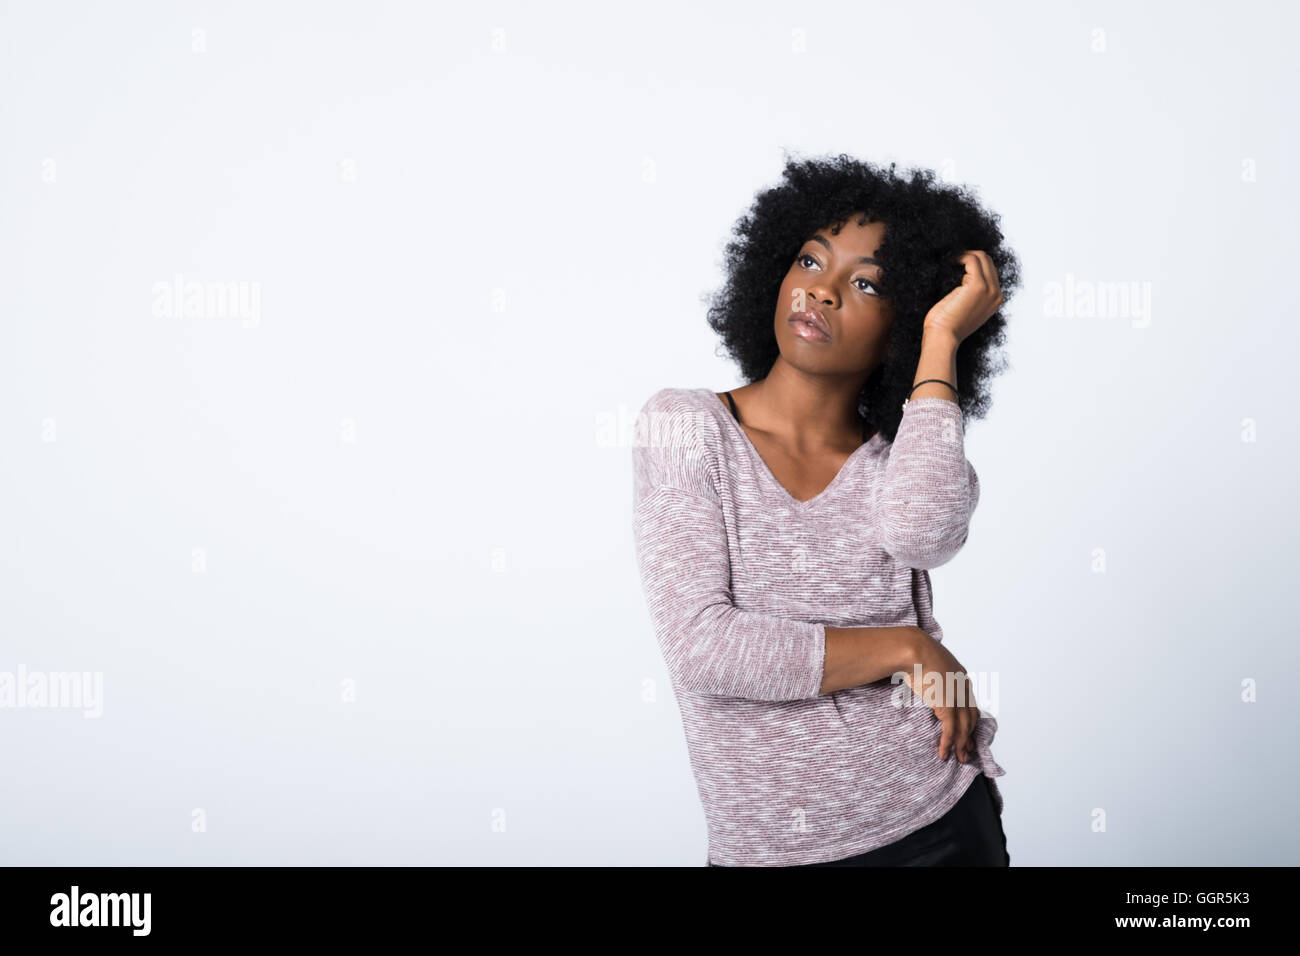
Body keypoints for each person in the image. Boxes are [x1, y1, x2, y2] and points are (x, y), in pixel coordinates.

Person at [630, 154, 1021, 867]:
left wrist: (940, 342)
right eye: (811, 261)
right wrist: (907, 647)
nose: (823, 292)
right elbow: (704, 647)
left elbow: (924, 533)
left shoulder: (902, 457)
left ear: (900, 325)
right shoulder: (684, 425)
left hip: (938, 824)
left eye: (866, 283)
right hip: (769, 851)